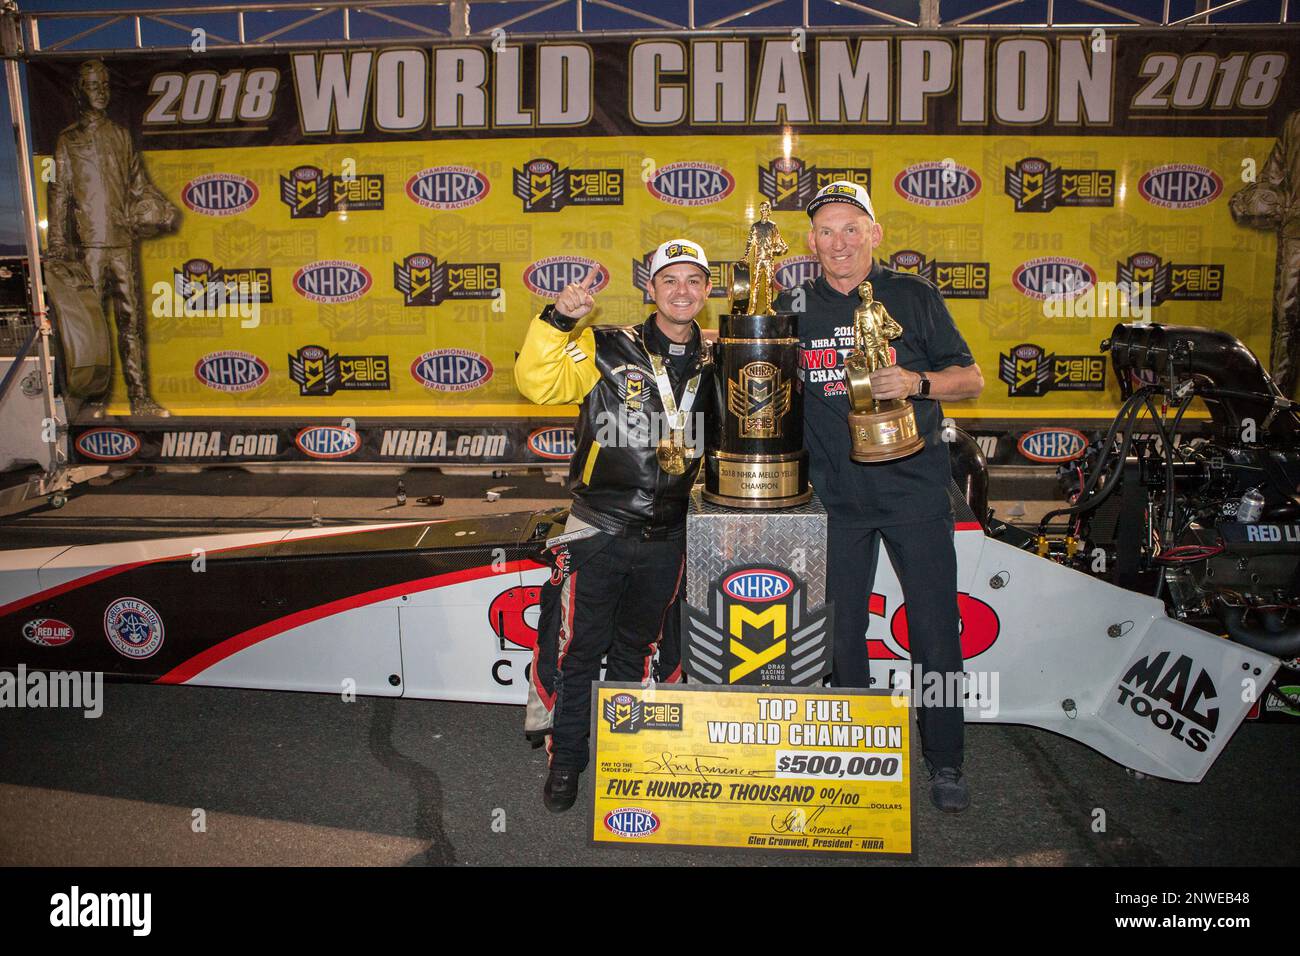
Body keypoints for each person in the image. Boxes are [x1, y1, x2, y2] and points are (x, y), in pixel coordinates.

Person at [775, 181, 984, 812]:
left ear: (875, 233)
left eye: (850, 228)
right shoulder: (791, 304)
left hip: (915, 492)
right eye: (826, 231)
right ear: (811, 242)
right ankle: (855, 755)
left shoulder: (913, 296)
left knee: (935, 630)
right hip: (835, 498)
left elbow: (970, 378)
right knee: (840, 635)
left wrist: (918, 380)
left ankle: (944, 759)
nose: (838, 242)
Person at [514, 239, 716, 812]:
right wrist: (557, 320)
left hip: (670, 534)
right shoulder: (603, 347)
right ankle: (567, 761)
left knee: (639, 649)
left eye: (693, 281)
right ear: (649, 290)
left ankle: (622, 758)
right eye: (668, 280)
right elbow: (539, 384)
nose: (682, 291)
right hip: (596, 526)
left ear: (707, 292)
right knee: (577, 648)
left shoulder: (720, 358)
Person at [47, 59, 179, 417]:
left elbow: (137, 185)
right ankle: (91, 401)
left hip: (121, 242)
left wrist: (160, 209)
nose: (101, 91)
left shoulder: (120, 135)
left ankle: (139, 397)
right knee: (92, 327)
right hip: (87, 245)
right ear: (79, 92)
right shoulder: (69, 139)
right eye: (93, 85)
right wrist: (57, 242)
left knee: (130, 321)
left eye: (104, 84)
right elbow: (59, 192)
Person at [1230, 108, 1300, 400]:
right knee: (1287, 321)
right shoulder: (1295, 121)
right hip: (1295, 238)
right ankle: (1280, 408)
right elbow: (1272, 176)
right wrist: (1248, 203)